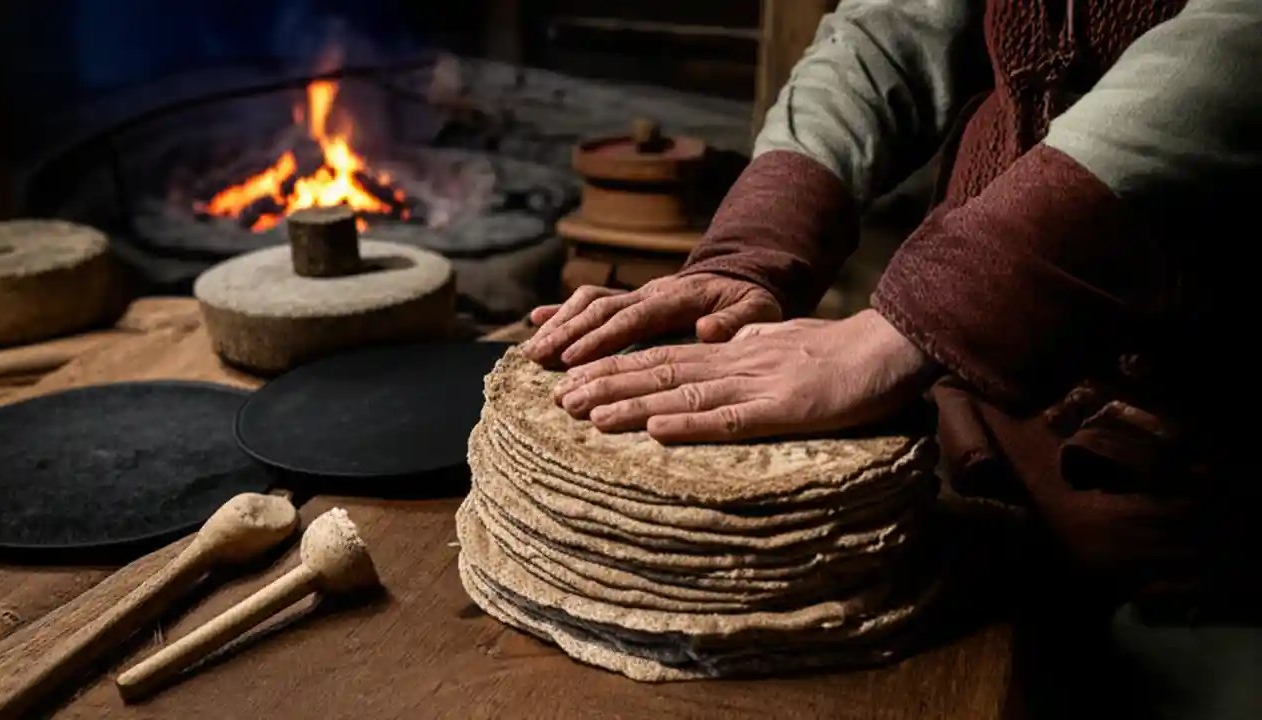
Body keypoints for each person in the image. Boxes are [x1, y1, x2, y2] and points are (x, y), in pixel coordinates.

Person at [521, 0, 1260, 717]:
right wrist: (757, 240)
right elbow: (893, 26)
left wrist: (917, 320)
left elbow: (1236, 46)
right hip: (978, 451)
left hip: (1205, 502)